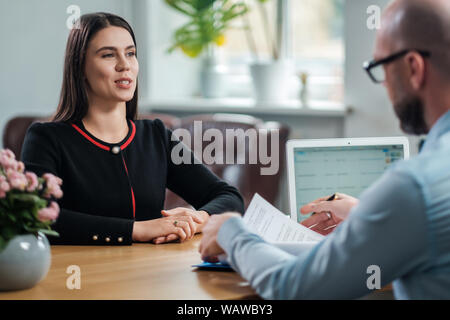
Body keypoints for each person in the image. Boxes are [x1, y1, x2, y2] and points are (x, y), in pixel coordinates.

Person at [199, 0, 450, 299]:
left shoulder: (415, 186)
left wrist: (231, 231)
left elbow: (294, 288)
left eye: (381, 68)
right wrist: (365, 216)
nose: (384, 86)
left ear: (413, 68)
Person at [21, 12, 244, 246]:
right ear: (79, 67)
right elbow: (40, 217)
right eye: (108, 55)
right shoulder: (46, 138)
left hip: (146, 275)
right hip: (79, 277)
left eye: (130, 53)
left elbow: (229, 197)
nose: (124, 65)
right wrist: (137, 230)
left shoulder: (155, 135)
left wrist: (198, 218)